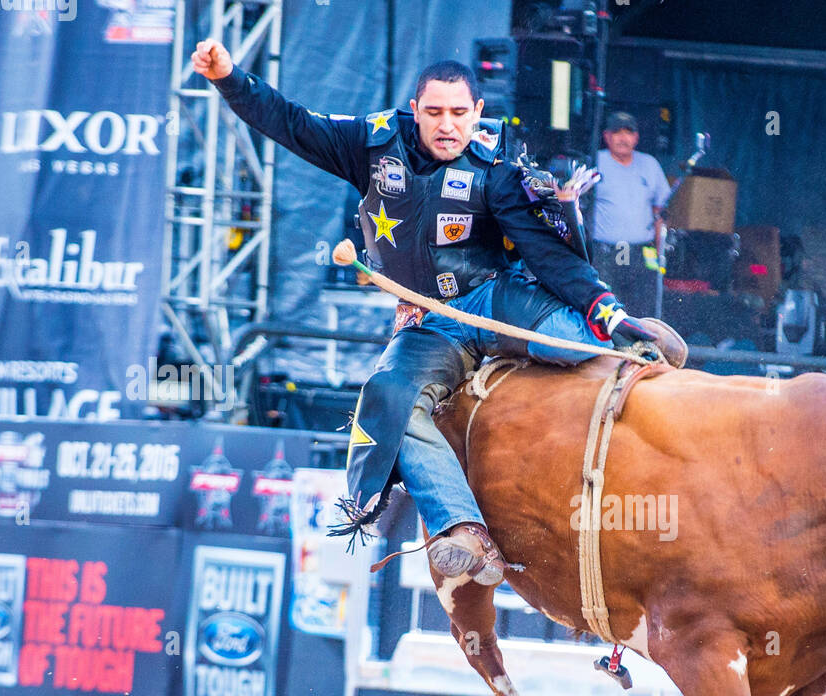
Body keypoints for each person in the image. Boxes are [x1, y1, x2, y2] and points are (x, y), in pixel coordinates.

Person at [191, 41, 680, 586]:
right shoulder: (371, 143)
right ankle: (462, 530)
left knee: (573, 344)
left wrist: (612, 317)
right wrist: (230, 77)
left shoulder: (496, 167)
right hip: (429, 320)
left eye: (458, 113)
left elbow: (548, 257)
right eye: (434, 112)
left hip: (493, 295)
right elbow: (292, 123)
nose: (447, 126)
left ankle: (637, 336)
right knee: (390, 399)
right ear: (414, 109)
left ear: (477, 113)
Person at [591, 111, 671, 318]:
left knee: (643, 309)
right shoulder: (595, 162)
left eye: (628, 133)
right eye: (617, 132)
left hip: (642, 252)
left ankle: (639, 348)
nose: (623, 138)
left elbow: (659, 210)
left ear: (636, 138)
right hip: (605, 252)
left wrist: (658, 252)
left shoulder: (650, 165)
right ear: (606, 136)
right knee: (606, 309)